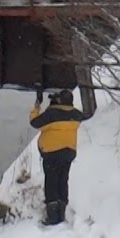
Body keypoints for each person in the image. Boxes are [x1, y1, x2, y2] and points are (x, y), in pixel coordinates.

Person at [29, 89, 84, 226]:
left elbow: (35, 122)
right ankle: (61, 212)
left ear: (59, 100)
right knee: (63, 180)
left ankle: (53, 217)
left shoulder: (51, 114)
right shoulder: (76, 115)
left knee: (51, 183)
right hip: (69, 152)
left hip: (52, 153)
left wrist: (37, 107)